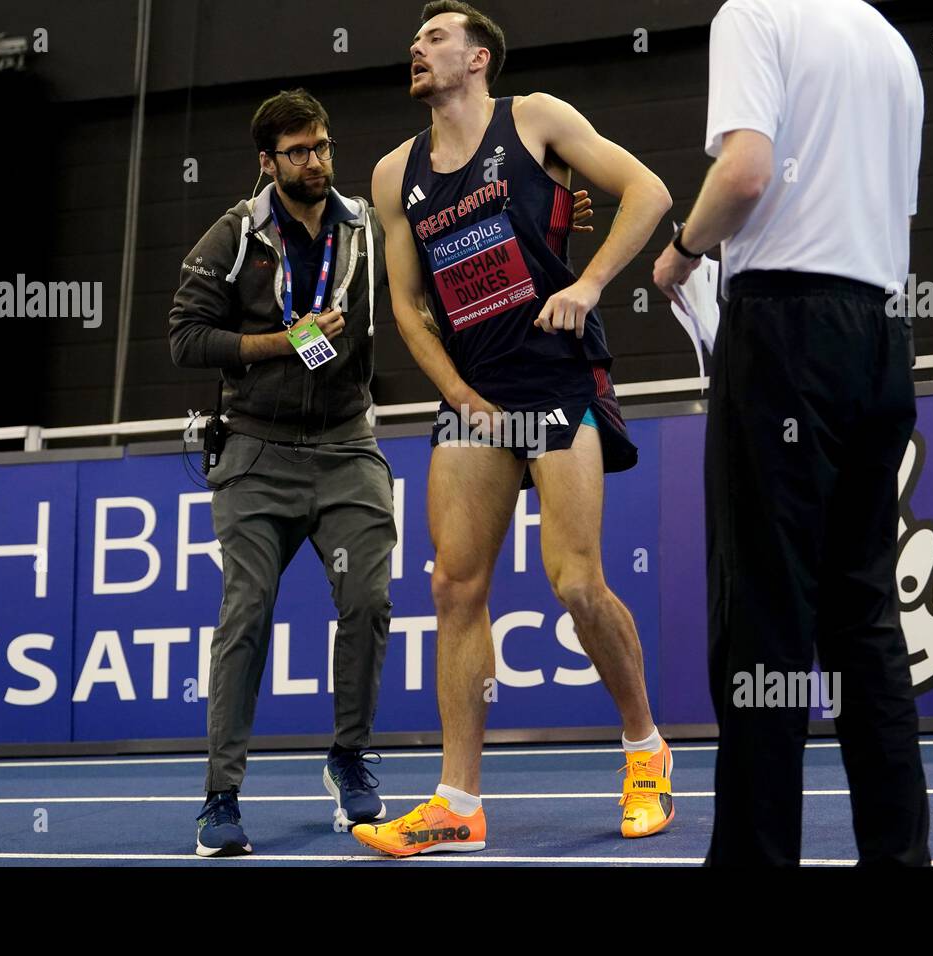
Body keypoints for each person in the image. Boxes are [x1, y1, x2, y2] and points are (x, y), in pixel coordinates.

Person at [168, 88, 593, 857]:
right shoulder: (234, 235)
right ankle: (220, 797)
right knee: (247, 615)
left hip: (346, 446)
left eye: (323, 145)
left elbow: (459, 252)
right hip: (257, 452)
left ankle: (349, 757)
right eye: (299, 151)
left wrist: (546, 217)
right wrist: (284, 342)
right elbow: (185, 338)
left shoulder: (367, 226)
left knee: (368, 602)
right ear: (267, 162)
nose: (316, 161)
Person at [354, 0, 674, 858]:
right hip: (476, 396)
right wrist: (457, 392)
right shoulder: (393, 174)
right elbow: (407, 306)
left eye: (435, 37)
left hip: (556, 377)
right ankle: (457, 803)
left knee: (575, 582)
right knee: (454, 589)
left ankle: (645, 751)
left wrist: (589, 284)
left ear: (478, 58)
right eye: (416, 38)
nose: (416, 47)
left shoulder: (535, 119)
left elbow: (649, 191)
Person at [652, 0, 931, 865]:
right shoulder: (892, 44)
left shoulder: (755, 14)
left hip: (786, 329)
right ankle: (899, 858)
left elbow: (744, 173)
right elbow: (894, 210)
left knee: (764, 622)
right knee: (864, 619)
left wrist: (684, 249)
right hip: (881, 329)